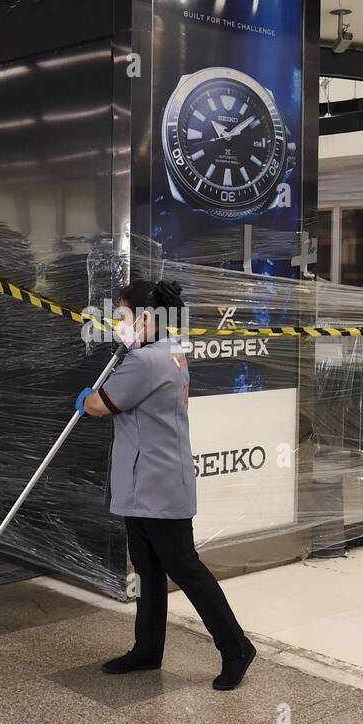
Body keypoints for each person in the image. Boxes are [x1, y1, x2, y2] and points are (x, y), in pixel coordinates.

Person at [74, 279, 256, 691]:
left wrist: (85, 398)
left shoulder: (146, 362)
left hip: (156, 486)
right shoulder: (169, 350)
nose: (119, 324)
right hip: (146, 482)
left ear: (148, 317)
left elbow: (101, 405)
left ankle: (236, 647)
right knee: (148, 570)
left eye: (123, 316)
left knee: (185, 569)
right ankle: (147, 650)